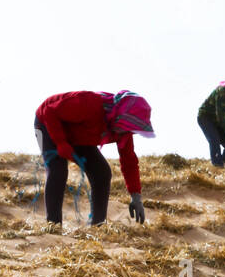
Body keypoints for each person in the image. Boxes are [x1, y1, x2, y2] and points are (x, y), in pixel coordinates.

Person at [33, 90, 154, 226]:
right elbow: (49, 111)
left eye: (132, 129)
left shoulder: (123, 132)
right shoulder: (89, 103)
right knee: (58, 170)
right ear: (121, 117)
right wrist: (61, 142)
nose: (128, 132)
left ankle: (98, 226)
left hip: (78, 133)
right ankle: (53, 226)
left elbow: (129, 161)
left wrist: (136, 196)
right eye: (128, 127)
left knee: (102, 173)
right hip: (48, 123)